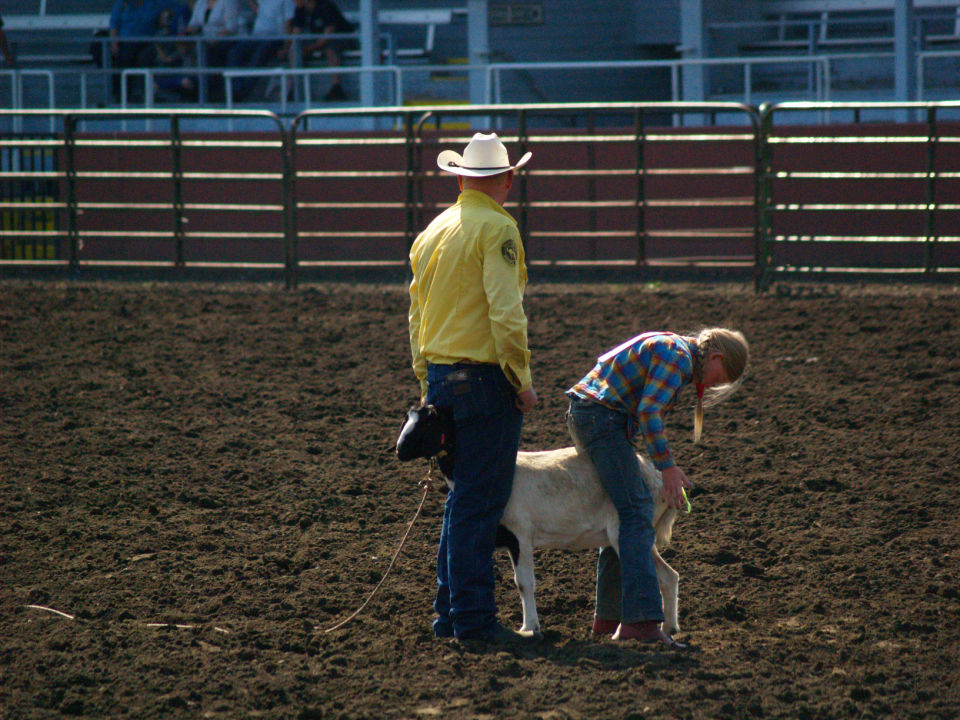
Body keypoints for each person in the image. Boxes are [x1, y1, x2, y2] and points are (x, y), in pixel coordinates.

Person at [408, 132, 538, 644]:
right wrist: (522, 381)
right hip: (484, 381)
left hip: (441, 379)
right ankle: (475, 622)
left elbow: (417, 317)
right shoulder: (498, 229)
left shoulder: (433, 231)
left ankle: (451, 615)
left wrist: (426, 381)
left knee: (462, 500)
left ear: (461, 177)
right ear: (507, 179)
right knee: (480, 503)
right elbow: (507, 313)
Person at [566, 328, 749, 647]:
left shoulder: (671, 347)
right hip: (601, 421)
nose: (713, 385)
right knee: (636, 514)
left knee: (622, 516)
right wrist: (667, 467)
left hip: (591, 415)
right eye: (719, 378)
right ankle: (641, 622)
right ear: (716, 357)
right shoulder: (677, 359)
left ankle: (609, 616)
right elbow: (649, 412)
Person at [108, 0, 187, 99]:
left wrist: (167, 13)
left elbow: (179, 8)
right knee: (122, 57)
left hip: (147, 41)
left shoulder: (156, 3)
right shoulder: (122, 3)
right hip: (126, 41)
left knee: (146, 57)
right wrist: (114, 43)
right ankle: (122, 95)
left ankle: (148, 93)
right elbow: (114, 24)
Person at [224, 0, 296, 101]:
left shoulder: (287, 2)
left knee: (259, 56)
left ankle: (242, 92)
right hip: (256, 37)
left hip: (275, 38)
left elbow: (289, 24)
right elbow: (258, 10)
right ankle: (234, 90)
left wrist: (285, 48)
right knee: (235, 52)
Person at [291, 0, 354, 101]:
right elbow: (296, 33)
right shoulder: (300, 10)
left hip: (343, 39)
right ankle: (293, 88)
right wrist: (292, 48)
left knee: (331, 49)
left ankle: (336, 88)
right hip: (319, 42)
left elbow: (329, 34)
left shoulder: (326, 6)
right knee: (294, 50)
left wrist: (310, 48)